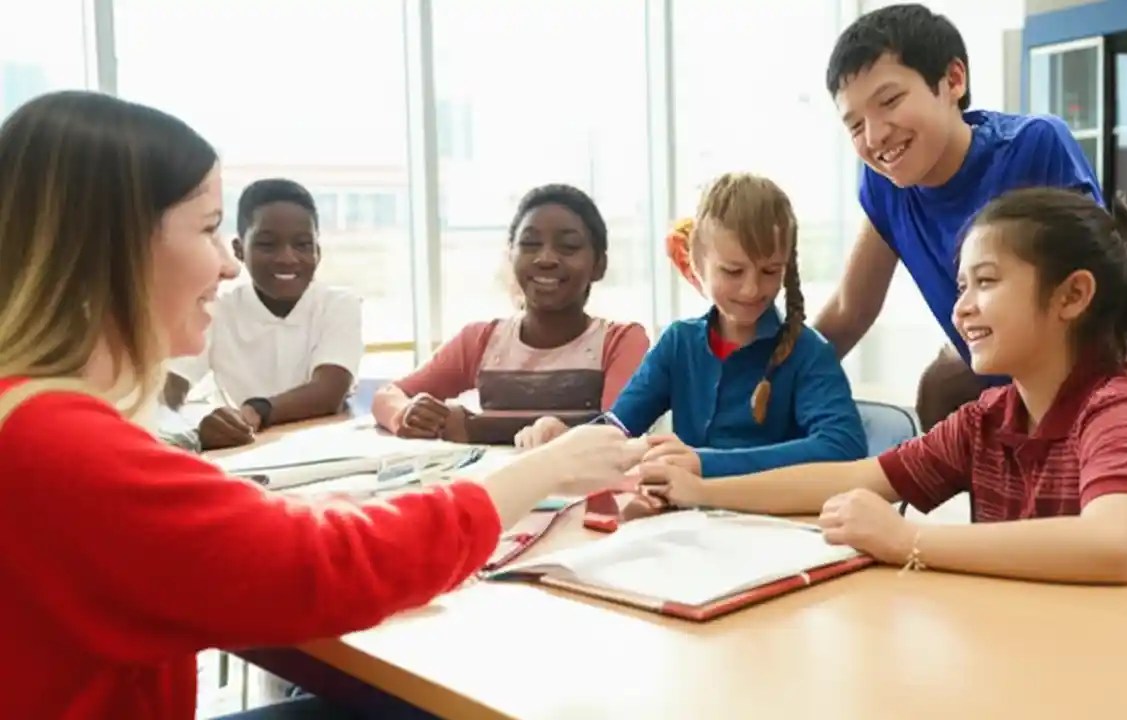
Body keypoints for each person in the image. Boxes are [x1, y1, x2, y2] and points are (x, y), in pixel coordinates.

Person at [0, 90, 646, 720]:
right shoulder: (61, 446)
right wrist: (541, 469)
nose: (230, 267)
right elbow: (323, 570)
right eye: (210, 229)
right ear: (113, 246)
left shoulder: (31, 418)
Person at [639, 188, 1127, 584]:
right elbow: (855, 476)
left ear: (1072, 295)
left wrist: (907, 539)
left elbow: (1113, 547)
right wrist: (703, 488)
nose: (961, 308)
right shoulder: (987, 418)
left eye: (985, 282)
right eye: (961, 286)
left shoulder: (1119, 412)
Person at [812, 3, 1127, 458]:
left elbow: (1105, 280)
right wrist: (780, 373)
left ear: (953, 80)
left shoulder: (1031, 146)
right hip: (1065, 402)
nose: (875, 135)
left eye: (890, 101)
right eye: (855, 124)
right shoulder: (886, 187)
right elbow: (849, 310)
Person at [520, 172, 867, 478]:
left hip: (776, 521)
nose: (751, 289)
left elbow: (844, 446)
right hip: (687, 518)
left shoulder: (808, 353)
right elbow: (619, 427)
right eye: (733, 271)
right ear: (697, 263)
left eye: (769, 271)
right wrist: (565, 440)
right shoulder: (679, 343)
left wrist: (704, 464)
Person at [371, 184, 649, 445]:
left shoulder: (620, 341)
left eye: (568, 246)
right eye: (530, 244)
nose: (546, 259)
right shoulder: (480, 340)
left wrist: (468, 427)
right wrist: (406, 414)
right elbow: (387, 396)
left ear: (599, 265)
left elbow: (616, 433)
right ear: (511, 256)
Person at [164, 178, 362, 450]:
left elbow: (329, 392)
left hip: (329, 449)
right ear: (239, 250)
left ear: (318, 251)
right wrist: (192, 426)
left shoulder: (338, 305)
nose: (287, 258)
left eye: (303, 245)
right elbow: (170, 388)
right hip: (248, 449)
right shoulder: (217, 312)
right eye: (267, 245)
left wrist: (257, 410)